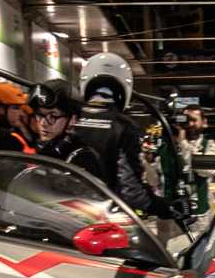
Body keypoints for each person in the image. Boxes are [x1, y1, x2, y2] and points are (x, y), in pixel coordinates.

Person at [69, 52, 175, 222]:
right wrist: (164, 207)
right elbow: (132, 192)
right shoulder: (124, 126)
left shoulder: (67, 118)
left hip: (64, 213)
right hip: (102, 219)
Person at [27, 79, 80, 163]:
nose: (43, 123)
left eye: (53, 116)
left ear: (72, 120)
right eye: (40, 115)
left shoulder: (81, 157)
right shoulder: (40, 149)